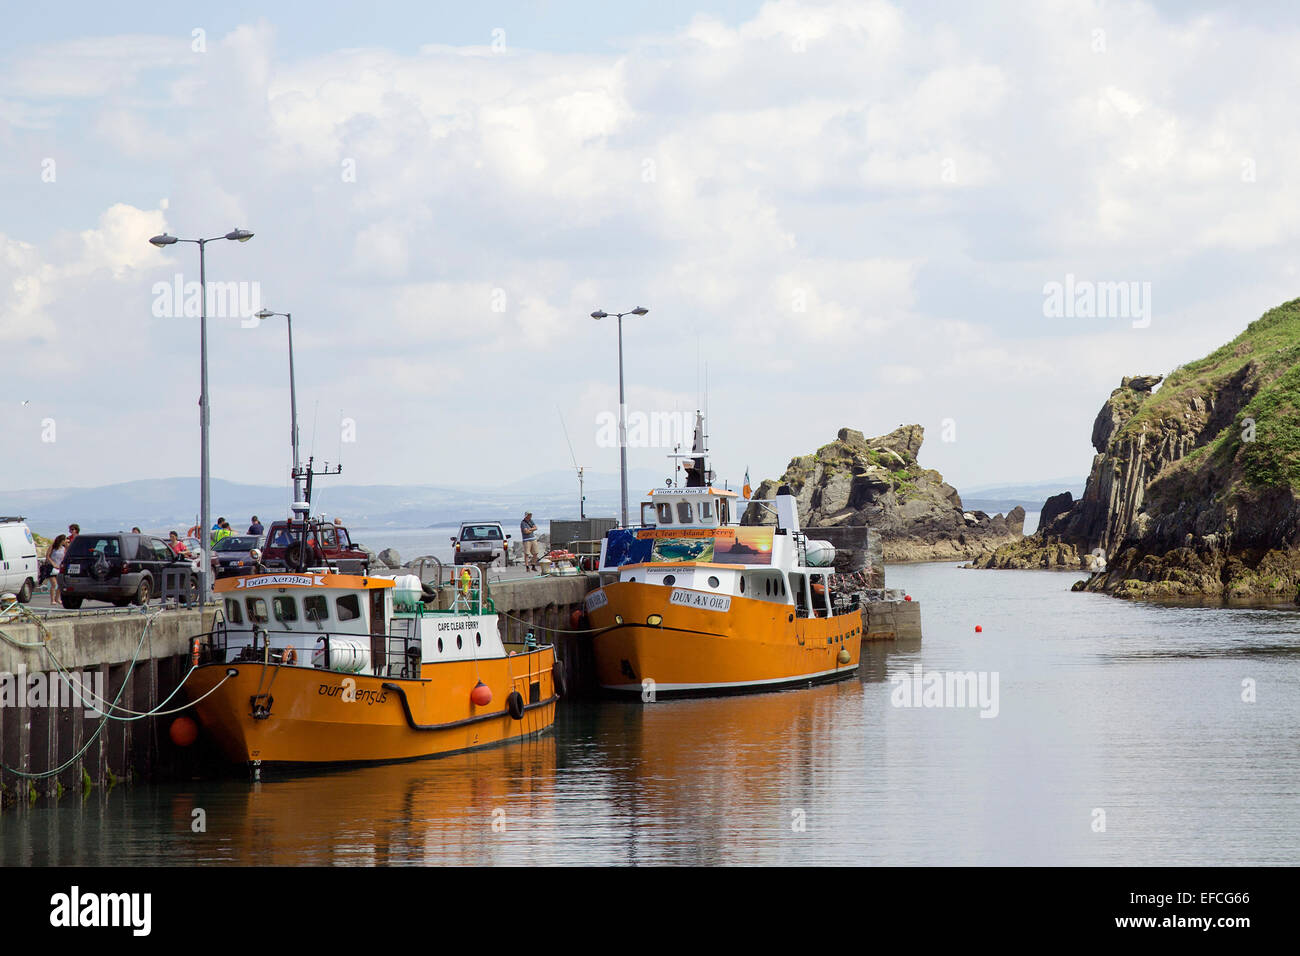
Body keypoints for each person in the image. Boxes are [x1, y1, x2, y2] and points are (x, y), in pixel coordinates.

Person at [42, 534, 68, 605]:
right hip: (51, 567)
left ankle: (57, 598)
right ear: (61, 540)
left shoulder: (63, 548)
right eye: (65, 540)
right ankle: (52, 600)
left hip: (59, 568)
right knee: (54, 584)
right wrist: (53, 564)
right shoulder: (52, 547)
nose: (65, 541)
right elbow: (47, 556)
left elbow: (65, 556)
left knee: (60, 584)